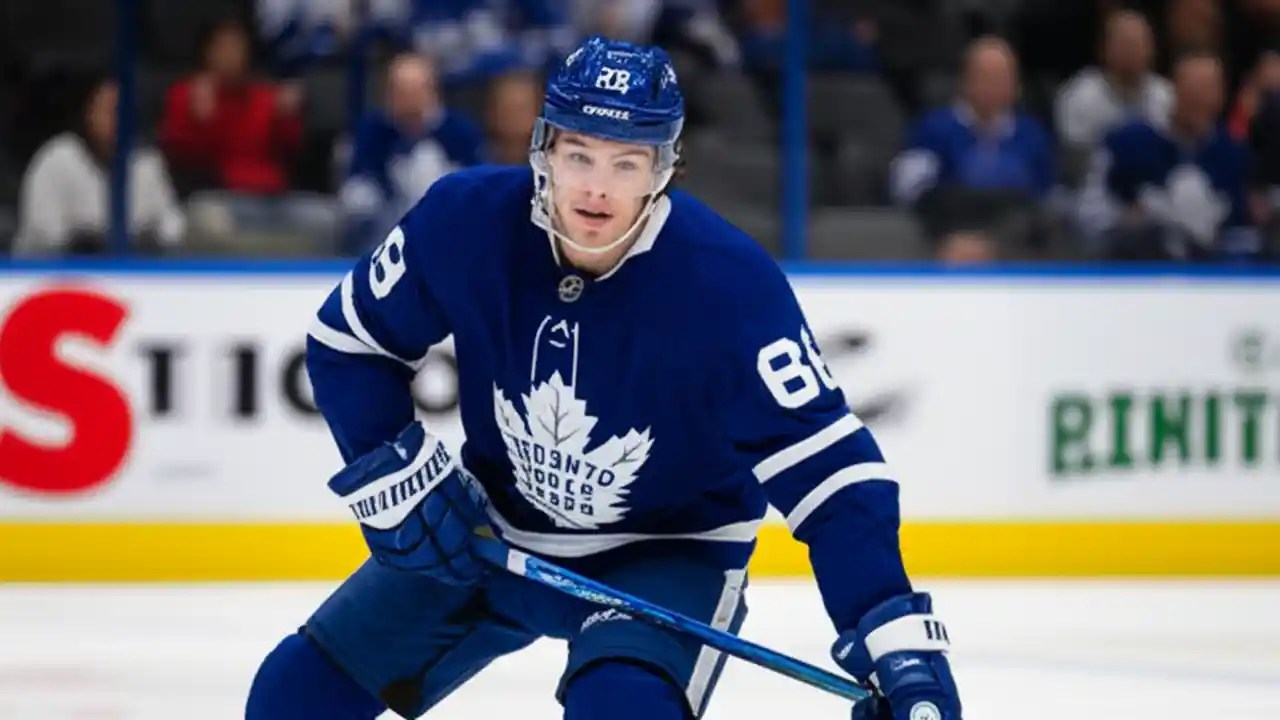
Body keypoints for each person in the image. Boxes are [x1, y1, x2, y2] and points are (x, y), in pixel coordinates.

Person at [245, 36, 963, 720]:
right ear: (543, 149)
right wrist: (395, 474)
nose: (596, 187)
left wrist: (889, 633)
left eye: (627, 162)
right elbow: (349, 342)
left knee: (621, 708)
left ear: (664, 169)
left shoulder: (729, 286)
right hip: (489, 530)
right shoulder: (465, 220)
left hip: (667, 556)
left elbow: (830, 475)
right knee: (292, 696)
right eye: (579, 153)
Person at [15, 76, 185, 256]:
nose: (118, 120)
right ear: (89, 114)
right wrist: (89, 242)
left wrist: (148, 239)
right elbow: (43, 234)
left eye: (124, 112)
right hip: (56, 274)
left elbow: (173, 227)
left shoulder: (147, 161)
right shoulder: (57, 157)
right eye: (109, 111)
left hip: (131, 273)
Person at [339, 53, 486, 255]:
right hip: (382, 236)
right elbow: (356, 185)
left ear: (434, 94)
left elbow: (479, 190)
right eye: (400, 94)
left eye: (416, 93)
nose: (409, 103)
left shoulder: (459, 131)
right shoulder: (373, 130)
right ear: (387, 97)